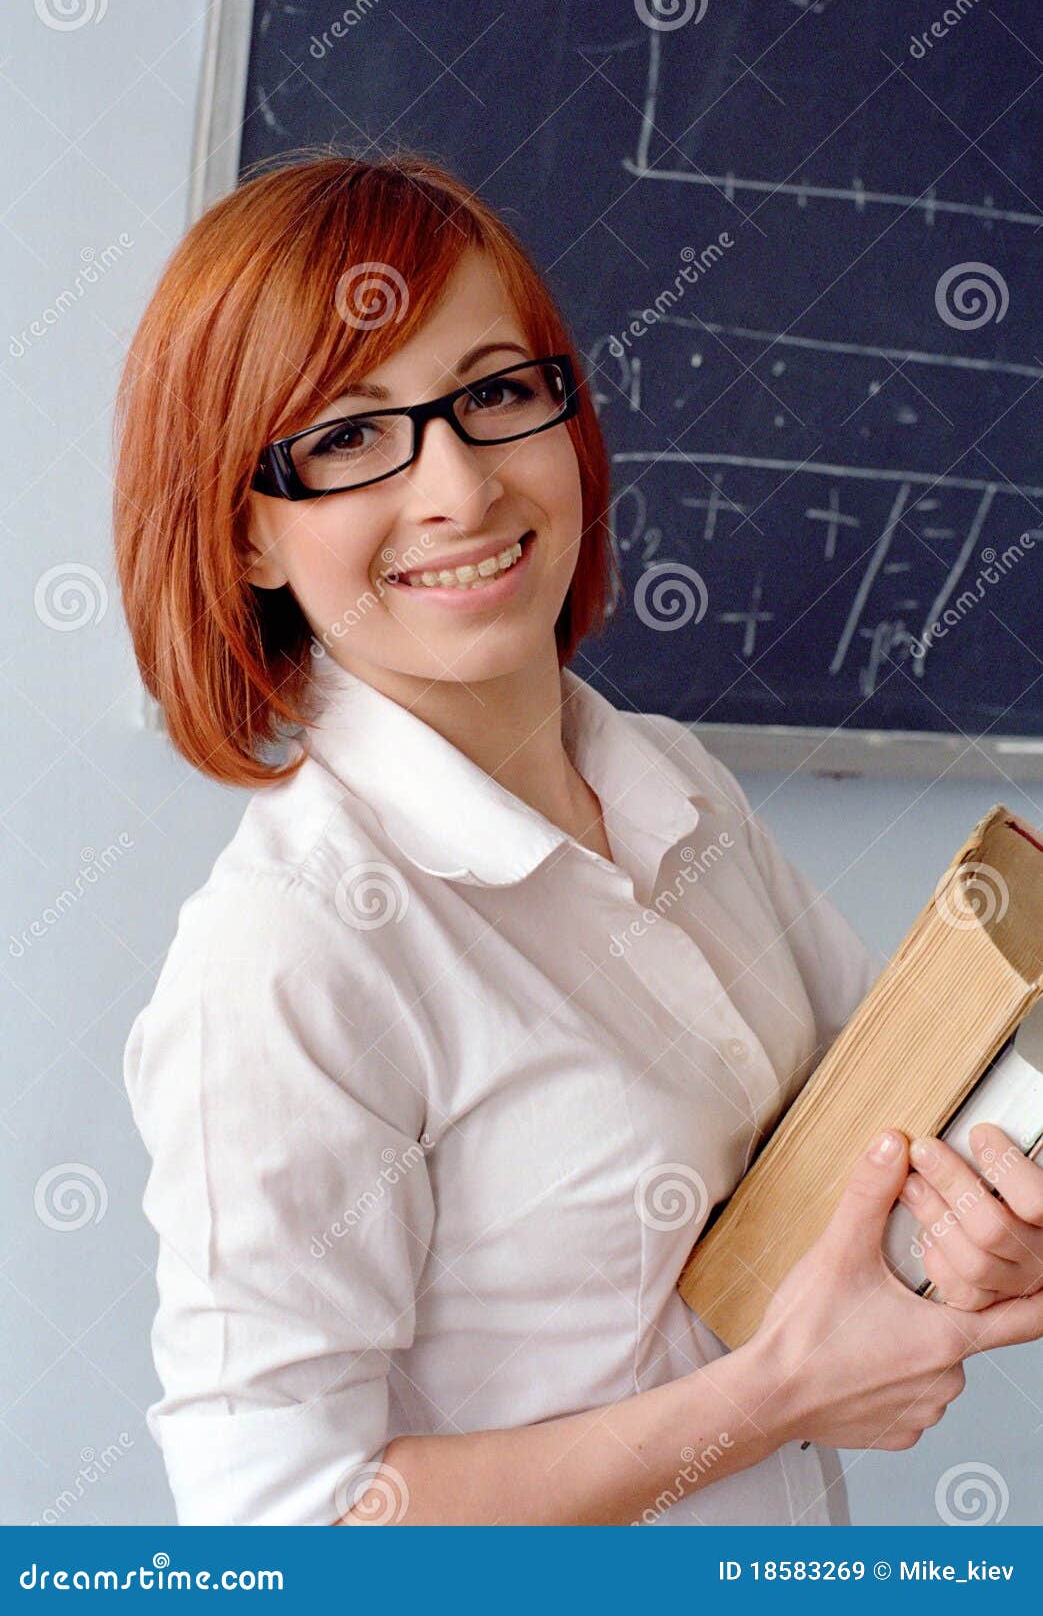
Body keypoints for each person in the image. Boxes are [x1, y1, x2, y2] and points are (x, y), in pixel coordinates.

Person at [114, 151, 1043, 1527]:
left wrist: (979, 1230)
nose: (458, 489)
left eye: (494, 394)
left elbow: (882, 1137)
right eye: (351, 437)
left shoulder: (666, 779)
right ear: (250, 533)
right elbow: (287, 1528)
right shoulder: (291, 949)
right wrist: (777, 1395)